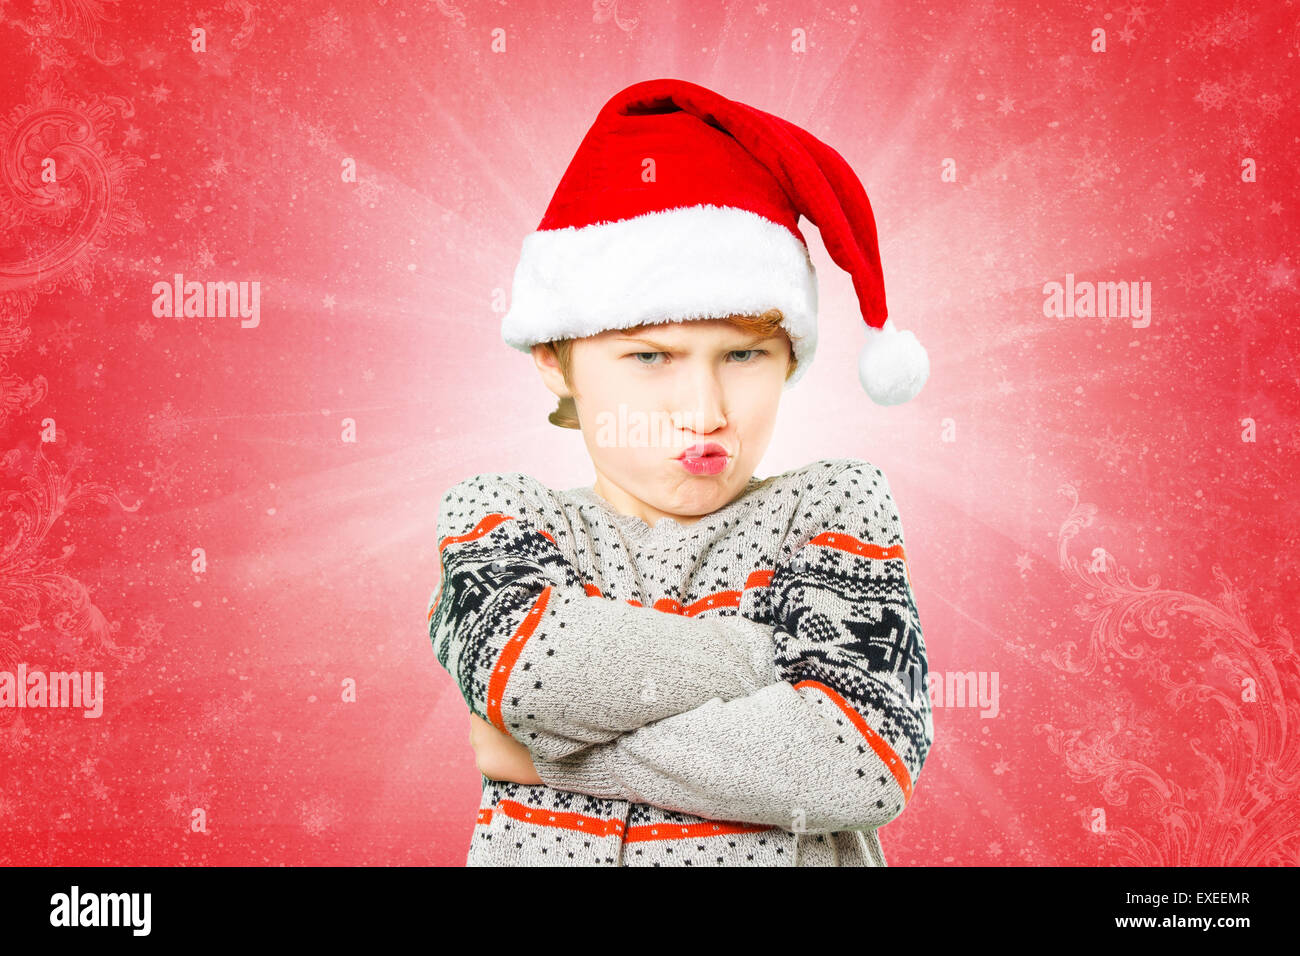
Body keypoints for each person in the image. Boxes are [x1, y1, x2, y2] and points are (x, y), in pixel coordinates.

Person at [427, 77, 934, 866]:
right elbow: (530, 677)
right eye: (651, 358)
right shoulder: (502, 519)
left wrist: (541, 753)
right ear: (556, 360)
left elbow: (860, 762)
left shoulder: (835, 505)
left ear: (790, 356)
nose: (704, 410)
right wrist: (772, 658)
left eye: (743, 355)